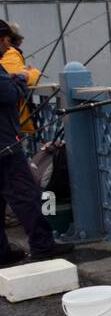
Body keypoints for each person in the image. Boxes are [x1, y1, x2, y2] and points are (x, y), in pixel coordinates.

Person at [0, 20, 71, 265]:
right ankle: (42, 246)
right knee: (25, 195)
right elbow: (7, 93)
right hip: (5, 147)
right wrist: (20, 79)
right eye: (6, 41)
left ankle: (3, 253)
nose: (8, 46)